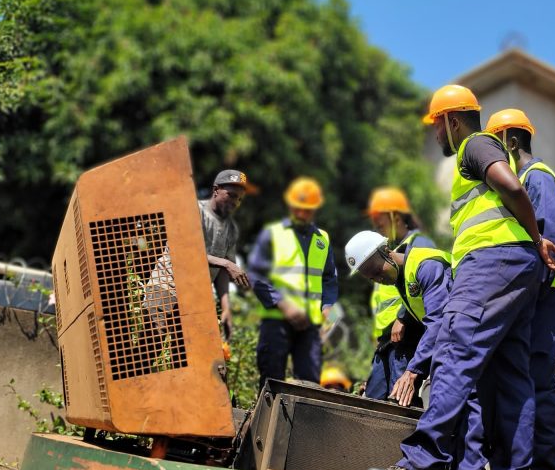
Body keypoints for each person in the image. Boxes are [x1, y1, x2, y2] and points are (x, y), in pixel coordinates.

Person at [364, 84, 555, 470]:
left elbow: (510, 185)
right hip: (516, 267)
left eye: (436, 126)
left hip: (490, 264)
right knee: (511, 375)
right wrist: (535, 241)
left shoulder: (474, 145)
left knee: (454, 355)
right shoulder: (483, 149)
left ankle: (424, 463)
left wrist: (535, 234)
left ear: (451, 120)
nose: (436, 136)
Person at [487, 108, 555, 470]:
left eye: (496, 142)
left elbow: (553, 233)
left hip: (548, 294)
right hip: (539, 295)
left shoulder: (537, 176)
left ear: (511, 141)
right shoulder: (524, 181)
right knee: (523, 379)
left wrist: (531, 286)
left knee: (538, 381)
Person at [248, 177, 338, 390]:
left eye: (307, 210)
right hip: (277, 321)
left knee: (309, 386)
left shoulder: (323, 238)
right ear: (290, 206)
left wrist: (328, 309)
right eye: (298, 208)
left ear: (315, 209)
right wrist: (284, 305)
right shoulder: (273, 234)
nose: (302, 214)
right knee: (271, 381)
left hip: (310, 327)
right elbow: (256, 275)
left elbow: (330, 280)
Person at [346, 230, 452, 408]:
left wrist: (412, 370)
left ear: (387, 251)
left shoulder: (426, 266)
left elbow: (438, 321)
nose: (379, 279)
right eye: (372, 278)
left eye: (377, 271)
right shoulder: (401, 277)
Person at [144, 168, 251, 340]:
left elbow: (224, 273)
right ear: (216, 190)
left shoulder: (231, 229)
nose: (235, 202)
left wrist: (226, 309)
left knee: (190, 356)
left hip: (193, 300)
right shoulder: (193, 210)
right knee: (152, 342)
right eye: (231, 195)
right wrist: (227, 263)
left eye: (239, 199)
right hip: (166, 286)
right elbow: (185, 251)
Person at [363, 187, 436, 402]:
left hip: (405, 336)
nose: (376, 225)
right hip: (386, 341)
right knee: (373, 400)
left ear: (395, 217)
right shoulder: (388, 251)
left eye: (380, 220)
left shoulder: (418, 243)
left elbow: (421, 285)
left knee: (400, 399)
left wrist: (402, 317)